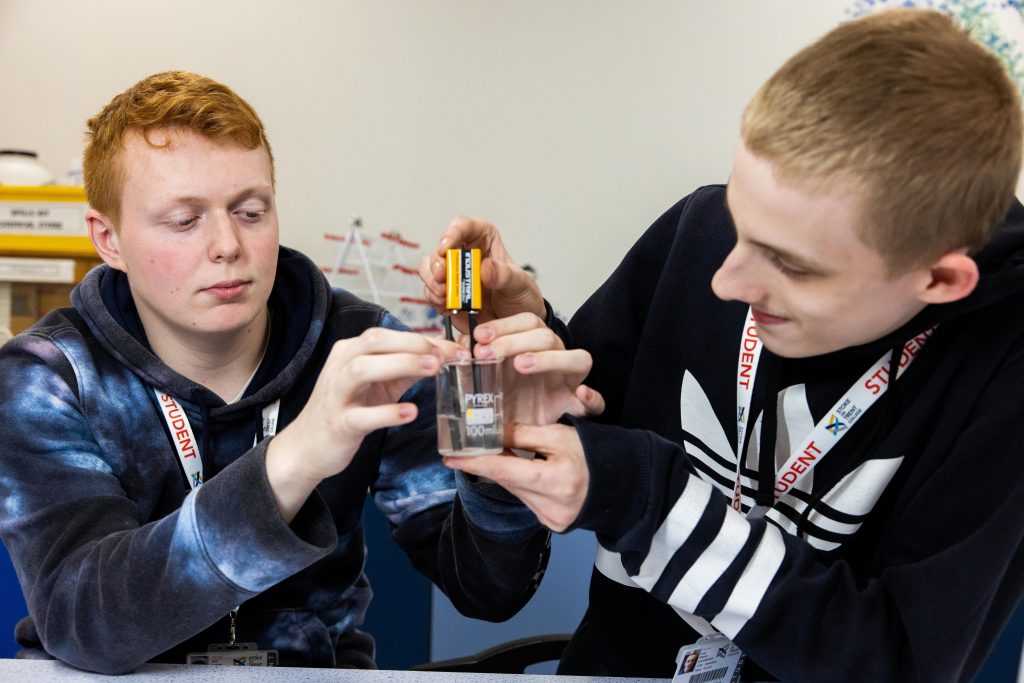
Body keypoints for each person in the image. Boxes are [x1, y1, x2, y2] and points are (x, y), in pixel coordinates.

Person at [419, 9, 1024, 682]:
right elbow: (484, 586)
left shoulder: (1003, 368)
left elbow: (899, 663)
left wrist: (649, 500)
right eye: (738, 223)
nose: (724, 281)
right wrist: (489, 373)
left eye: (789, 263)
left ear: (939, 279)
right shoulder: (696, 234)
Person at [0, 71, 597, 674]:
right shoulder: (48, 376)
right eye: (184, 220)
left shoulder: (362, 346)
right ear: (109, 239)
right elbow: (87, 623)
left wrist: (487, 407)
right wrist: (296, 456)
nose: (227, 244)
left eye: (251, 212)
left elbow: (488, 591)